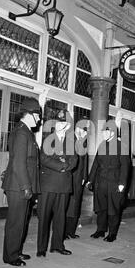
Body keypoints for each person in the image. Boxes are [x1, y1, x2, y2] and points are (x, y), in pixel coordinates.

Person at [2, 97, 41, 266]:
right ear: (28, 114)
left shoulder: (26, 132)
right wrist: (26, 186)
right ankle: (10, 256)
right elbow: (18, 163)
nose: (39, 119)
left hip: (22, 184)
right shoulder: (21, 132)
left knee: (22, 221)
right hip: (18, 185)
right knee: (15, 222)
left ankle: (16, 250)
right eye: (37, 115)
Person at [37, 109, 78, 256]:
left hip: (64, 185)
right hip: (48, 184)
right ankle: (41, 249)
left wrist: (65, 165)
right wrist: (62, 165)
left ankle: (57, 245)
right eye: (60, 122)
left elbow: (74, 160)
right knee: (44, 217)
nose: (62, 125)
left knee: (60, 217)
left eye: (65, 123)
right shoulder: (48, 139)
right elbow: (44, 159)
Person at [86, 121, 131, 242]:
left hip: (114, 183)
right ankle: (100, 230)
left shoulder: (122, 146)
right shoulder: (101, 145)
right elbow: (96, 163)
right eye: (103, 132)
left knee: (113, 209)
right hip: (100, 182)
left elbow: (125, 166)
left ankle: (112, 233)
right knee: (101, 208)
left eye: (106, 132)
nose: (103, 134)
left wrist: (122, 184)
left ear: (113, 132)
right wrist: (90, 180)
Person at [65, 117, 89, 239]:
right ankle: (63, 232)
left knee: (75, 206)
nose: (84, 133)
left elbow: (85, 161)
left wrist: (85, 176)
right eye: (83, 130)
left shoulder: (83, 142)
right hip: (69, 177)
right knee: (66, 205)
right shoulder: (69, 140)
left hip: (79, 179)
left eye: (86, 131)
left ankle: (71, 231)